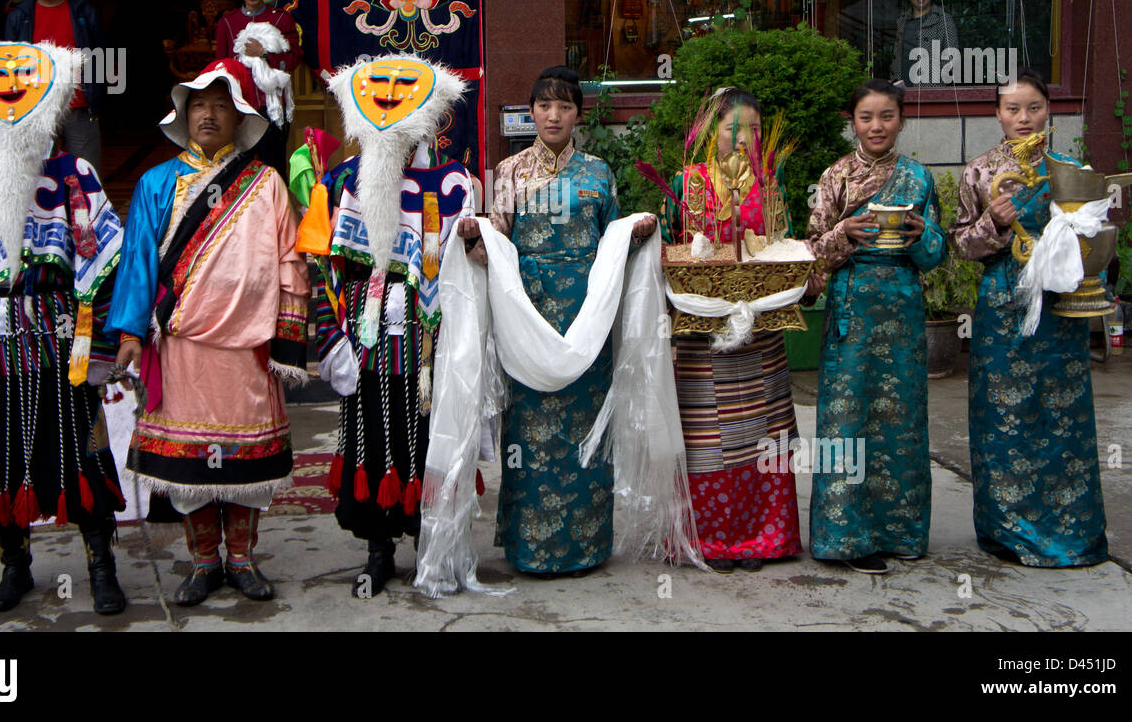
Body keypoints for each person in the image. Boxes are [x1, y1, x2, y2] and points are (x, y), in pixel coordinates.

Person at [0, 41, 127, 615]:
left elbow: (106, 262)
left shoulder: (73, 175)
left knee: (84, 456)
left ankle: (102, 565)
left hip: (65, 343)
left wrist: (103, 342)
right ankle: (16, 566)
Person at [107, 57, 309, 604]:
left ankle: (242, 560)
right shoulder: (155, 183)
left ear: (239, 118)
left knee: (246, 462)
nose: (210, 114)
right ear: (184, 114)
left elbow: (291, 261)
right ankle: (201, 563)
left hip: (249, 349)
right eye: (200, 105)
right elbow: (137, 263)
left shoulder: (265, 185)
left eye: (222, 105)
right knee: (190, 462)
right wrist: (128, 332)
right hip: (181, 346)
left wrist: (288, 339)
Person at [459, 66, 656, 577]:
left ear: (578, 115)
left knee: (586, 432)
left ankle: (587, 547)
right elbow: (497, 235)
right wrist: (473, 235)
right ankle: (529, 549)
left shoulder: (598, 172)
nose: (553, 115)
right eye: (544, 106)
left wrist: (635, 231)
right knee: (529, 434)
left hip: (587, 317)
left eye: (564, 106)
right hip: (527, 317)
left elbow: (611, 236)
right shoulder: (509, 172)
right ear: (531, 112)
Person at [306, 54, 475, 597]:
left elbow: (468, 267)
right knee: (371, 438)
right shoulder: (338, 184)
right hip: (366, 336)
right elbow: (315, 263)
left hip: (429, 339)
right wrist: (329, 336)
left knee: (428, 438)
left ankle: (433, 542)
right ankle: (378, 548)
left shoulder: (453, 182)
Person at [949, 68, 1108, 567]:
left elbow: (1097, 238)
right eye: (1012, 109)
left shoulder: (1071, 169)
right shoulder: (978, 172)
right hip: (1002, 307)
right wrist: (992, 221)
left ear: (1048, 111)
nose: (1023, 118)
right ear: (997, 114)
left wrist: (1079, 228)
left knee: (1064, 417)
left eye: (1033, 107)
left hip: (1062, 304)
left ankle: (1073, 534)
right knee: (1004, 417)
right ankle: (1007, 531)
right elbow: (960, 246)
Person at [659, 88, 805, 571]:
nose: (744, 141)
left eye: (755, 131)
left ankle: (764, 537)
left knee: (762, 432)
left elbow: (781, 249)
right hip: (702, 335)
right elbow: (667, 253)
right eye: (732, 130)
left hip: (760, 329)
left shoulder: (771, 186)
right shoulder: (688, 183)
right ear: (710, 133)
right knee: (707, 439)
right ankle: (712, 540)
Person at [807, 79, 946, 574]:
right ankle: (844, 538)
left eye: (886, 116)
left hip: (902, 314)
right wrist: (843, 233)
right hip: (851, 312)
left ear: (902, 120)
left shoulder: (918, 178)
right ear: (853, 122)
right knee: (847, 420)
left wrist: (921, 233)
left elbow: (935, 255)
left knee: (900, 422)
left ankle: (901, 532)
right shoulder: (836, 177)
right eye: (866, 117)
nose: (876, 126)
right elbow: (810, 252)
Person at [4, 0, 105, 167]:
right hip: (36, 107)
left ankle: (86, 203)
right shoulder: (19, 17)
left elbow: (101, 54)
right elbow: (8, 61)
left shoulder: (84, 13)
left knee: (86, 170)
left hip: (79, 103)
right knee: (37, 170)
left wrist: (98, 94)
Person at [215, 0, 301, 174]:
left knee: (273, 167)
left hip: (271, 107)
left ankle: (275, 210)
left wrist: (264, 54)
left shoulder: (281, 20)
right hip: (239, 107)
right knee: (237, 167)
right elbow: (220, 67)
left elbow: (293, 60)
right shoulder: (227, 23)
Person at [891, 0, 959, 87]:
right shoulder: (902, 21)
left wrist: (933, 76)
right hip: (902, 83)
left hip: (930, 84)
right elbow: (897, 55)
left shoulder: (943, 19)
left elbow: (952, 54)